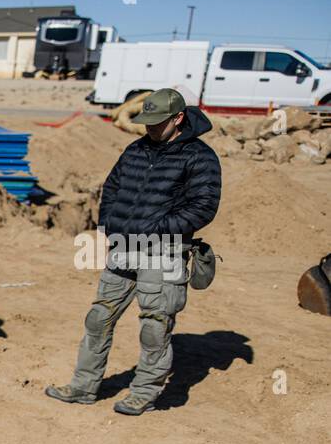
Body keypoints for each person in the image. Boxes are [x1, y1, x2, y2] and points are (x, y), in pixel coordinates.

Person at [46, 87, 222, 416]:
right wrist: (108, 226)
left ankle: (144, 392)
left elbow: (203, 207)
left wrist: (157, 228)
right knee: (98, 319)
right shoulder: (136, 149)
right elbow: (111, 188)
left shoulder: (200, 157)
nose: (149, 128)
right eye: (146, 122)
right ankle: (83, 387)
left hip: (165, 252)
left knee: (155, 325)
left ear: (178, 118)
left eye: (157, 123)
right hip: (124, 248)